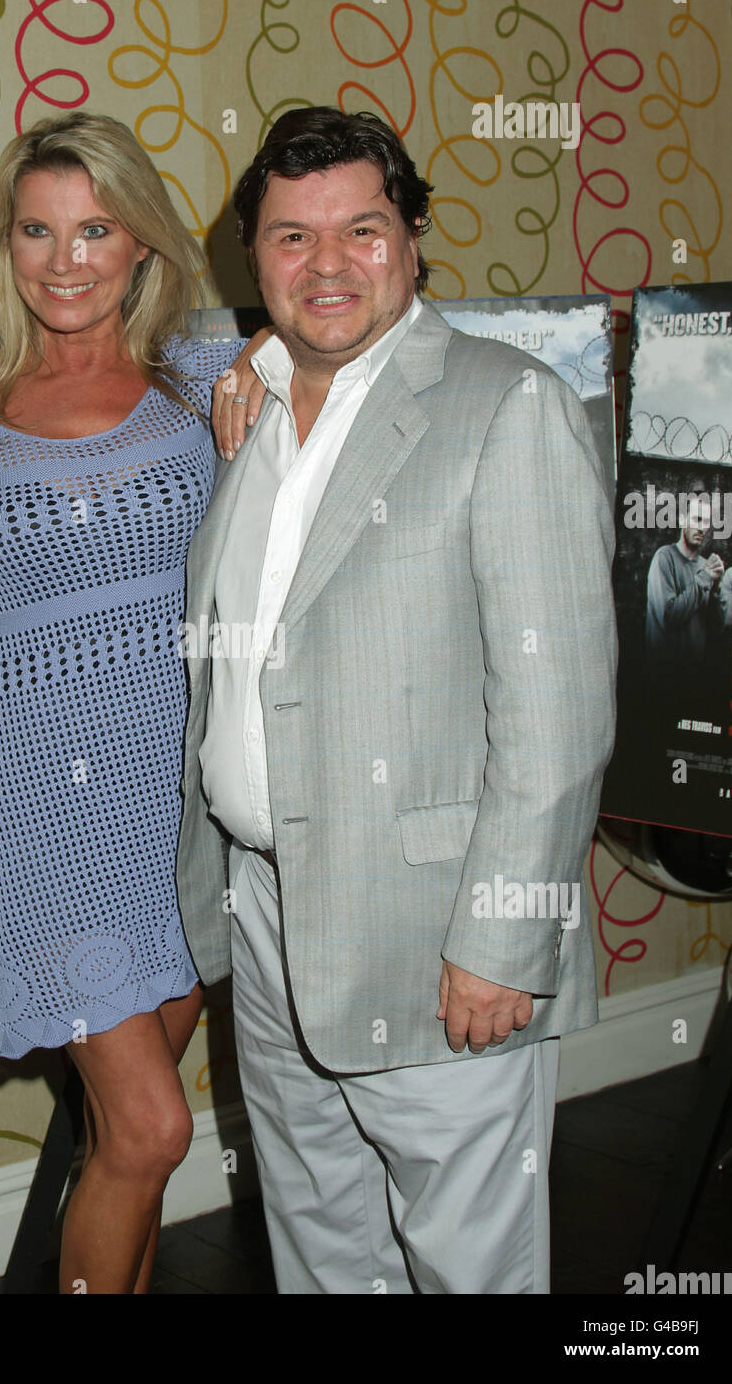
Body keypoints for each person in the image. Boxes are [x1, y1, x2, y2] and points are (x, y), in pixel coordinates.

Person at [178, 106, 618, 1294]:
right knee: (320, 1239)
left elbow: (560, 709)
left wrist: (502, 939)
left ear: (414, 238)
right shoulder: (254, 412)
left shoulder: (507, 406)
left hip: (435, 931)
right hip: (270, 912)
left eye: (361, 229)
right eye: (289, 238)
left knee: (469, 1257)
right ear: (251, 256)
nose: (325, 265)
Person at [0, 112, 259, 1294]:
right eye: (36, 230)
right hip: (37, 811)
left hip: (182, 800)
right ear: (5, 248)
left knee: (121, 1149)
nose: (65, 258)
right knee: (154, 1131)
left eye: (95, 227)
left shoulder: (203, 382)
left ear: (142, 243)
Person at [645, 493, 726, 673]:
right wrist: (705, 579)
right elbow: (668, 617)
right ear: (682, 520)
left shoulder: (706, 567)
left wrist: (717, 588)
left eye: (706, 522)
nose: (701, 528)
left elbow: (717, 628)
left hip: (695, 675)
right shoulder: (664, 558)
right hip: (665, 675)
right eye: (696, 519)